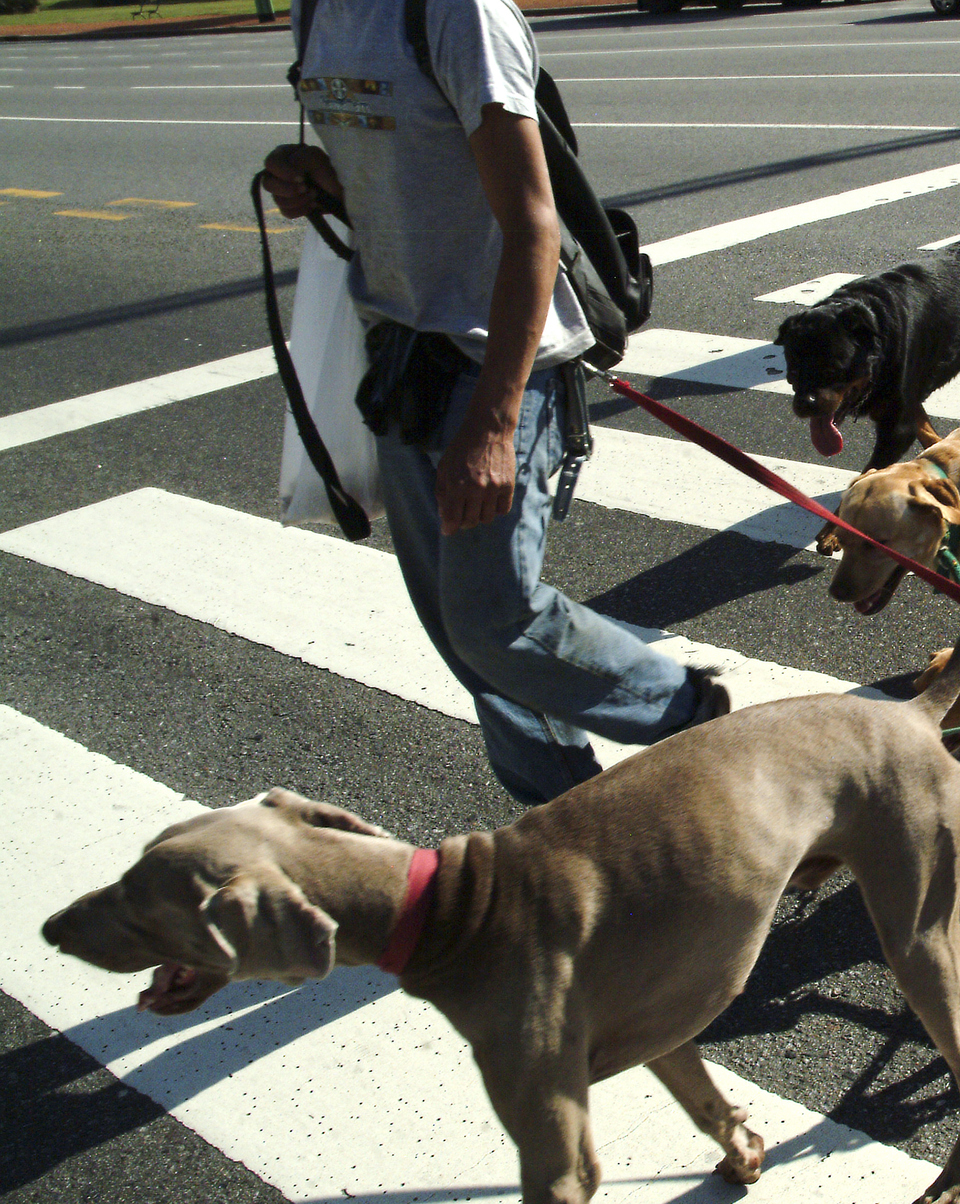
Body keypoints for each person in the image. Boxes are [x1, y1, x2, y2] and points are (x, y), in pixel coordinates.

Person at [263, 0, 725, 807]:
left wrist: (494, 422)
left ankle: (695, 715)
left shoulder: (453, 13)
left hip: (498, 356)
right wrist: (317, 180)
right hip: (402, 354)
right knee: (462, 634)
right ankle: (567, 816)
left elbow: (532, 226)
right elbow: (402, 170)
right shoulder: (317, 11)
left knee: (494, 619)